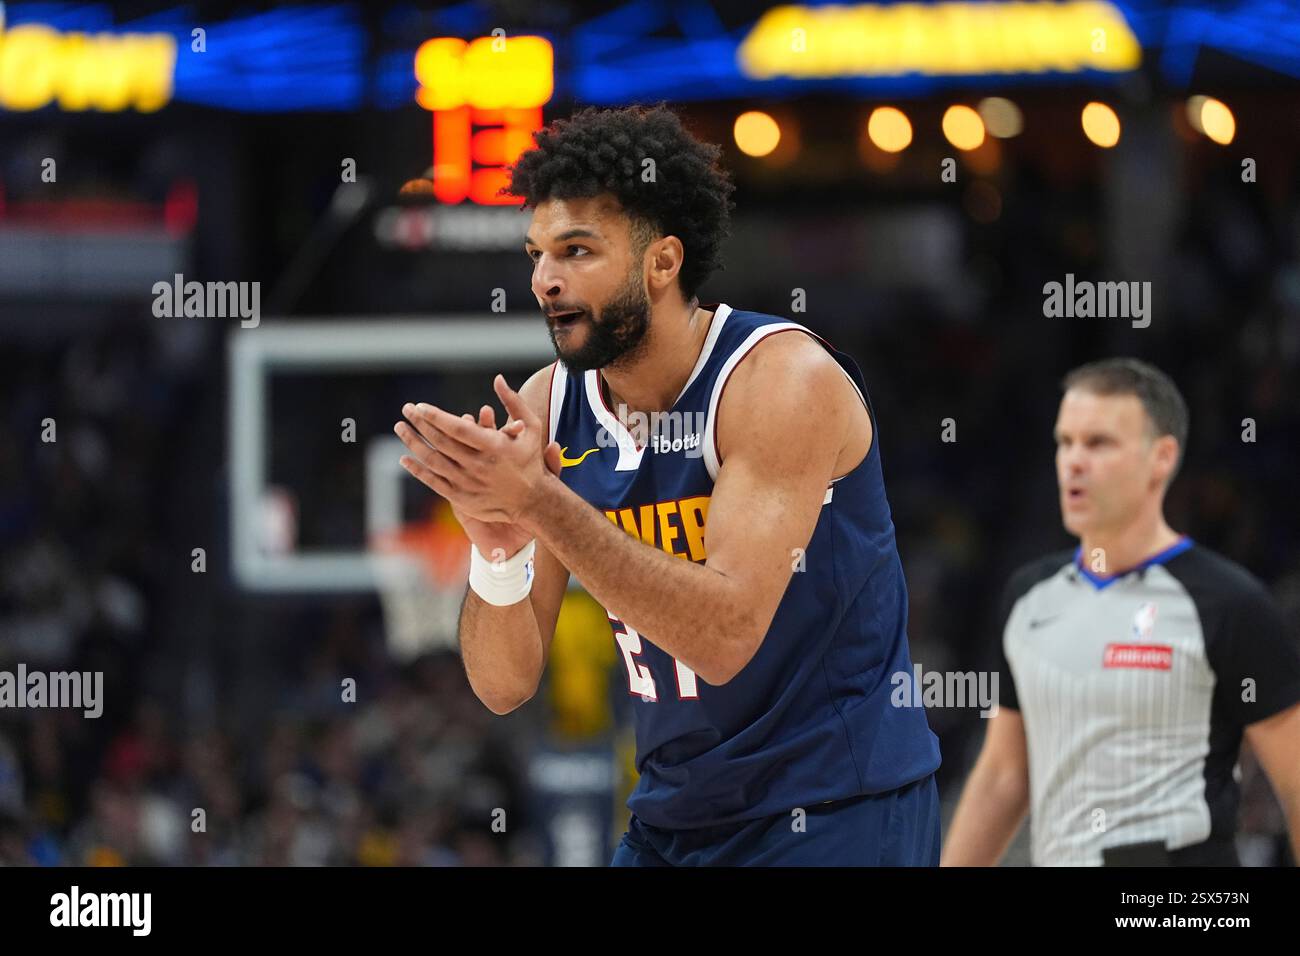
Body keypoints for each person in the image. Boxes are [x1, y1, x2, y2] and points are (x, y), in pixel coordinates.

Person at [394, 105, 940, 866]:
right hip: (675, 814)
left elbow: (724, 639)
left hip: (833, 808)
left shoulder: (779, 380)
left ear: (662, 263)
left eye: (577, 251)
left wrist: (541, 502)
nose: (546, 280)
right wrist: (497, 550)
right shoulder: (551, 406)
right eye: (537, 253)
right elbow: (503, 684)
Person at [942, 358, 1300, 866]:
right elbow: (1004, 776)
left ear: (1162, 457)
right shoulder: (1029, 597)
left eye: (1098, 443)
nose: (1073, 462)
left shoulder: (1228, 602)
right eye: (1065, 442)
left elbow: (1295, 780)